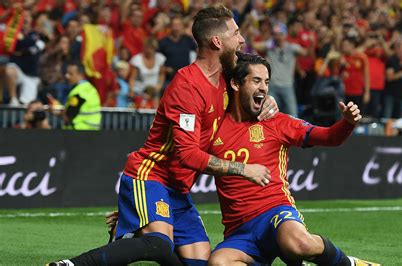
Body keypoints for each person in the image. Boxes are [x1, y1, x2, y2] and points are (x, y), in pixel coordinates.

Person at [49, 6, 277, 266]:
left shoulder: (227, 78)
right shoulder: (187, 86)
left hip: (178, 189)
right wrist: (243, 169)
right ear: (217, 41)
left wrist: (267, 100)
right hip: (150, 174)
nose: (242, 40)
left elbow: (253, 82)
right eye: (236, 33)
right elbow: (188, 154)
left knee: (200, 262)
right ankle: (71, 264)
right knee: (159, 243)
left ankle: (133, 228)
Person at [208, 53, 379, 266]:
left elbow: (328, 137)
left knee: (299, 244)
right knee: (218, 262)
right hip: (238, 230)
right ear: (235, 84)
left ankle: (349, 264)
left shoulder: (277, 122)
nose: (263, 87)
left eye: (266, 82)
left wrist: (347, 123)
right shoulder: (214, 125)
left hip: (275, 212)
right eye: (256, 81)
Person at [62, 62, 102, 130]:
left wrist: (57, 112)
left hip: (78, 132)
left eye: (70, 74)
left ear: (80, 74)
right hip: (92, 132)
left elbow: (69, 115)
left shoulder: (79, 92)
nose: (67, 76)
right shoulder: (90, 88)